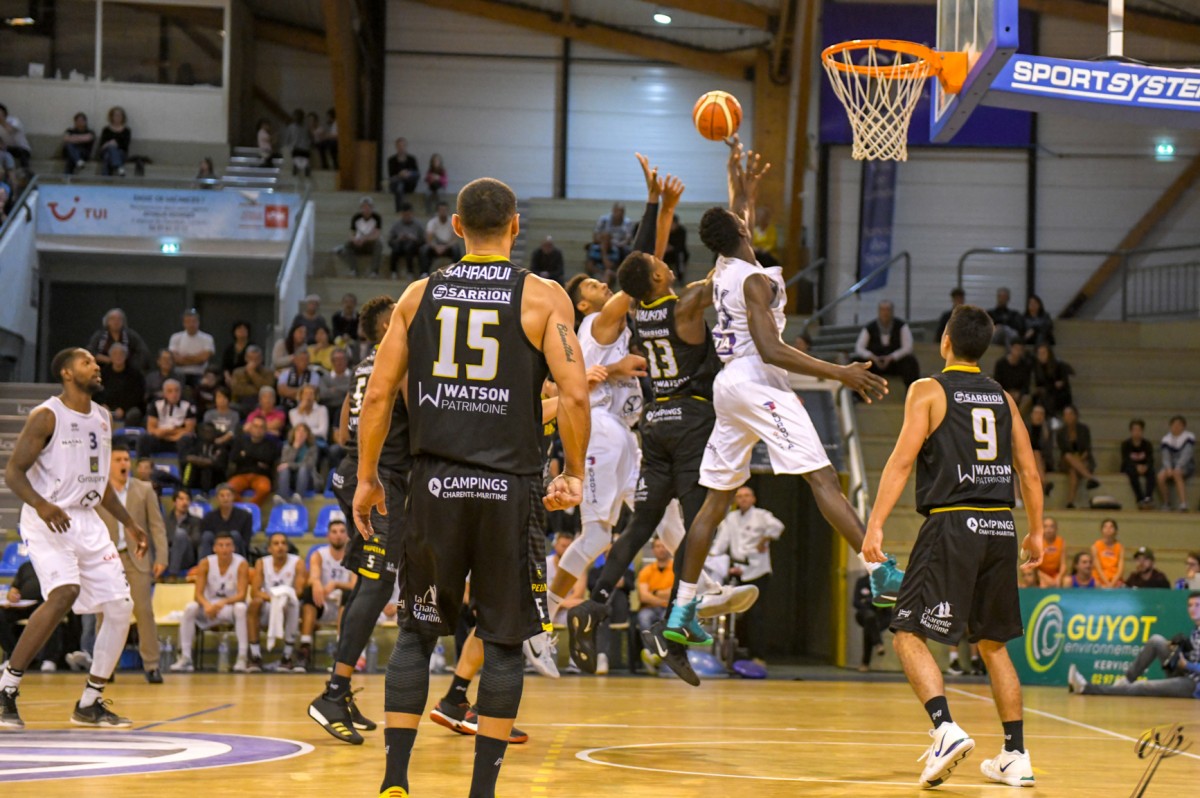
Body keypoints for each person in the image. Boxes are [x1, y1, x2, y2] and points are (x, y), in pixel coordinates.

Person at [352, 176, 589, 798]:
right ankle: (481, 791)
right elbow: (575, 392)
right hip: (508, 488)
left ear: (456, 227)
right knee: (503, 640)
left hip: (433, 483)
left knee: (415, 633)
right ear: (516, 228)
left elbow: (377, 395)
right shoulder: (543, 297)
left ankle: (395, 782)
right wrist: (574, 472)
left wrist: (367, 478)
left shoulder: (417, 293)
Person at [661, 140, 895, 655]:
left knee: (714, 502)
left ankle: (681, 608)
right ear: (742, 233)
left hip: (727, 386)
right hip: (756, 379)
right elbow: (771, 349)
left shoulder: (722, 271)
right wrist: (840, 373)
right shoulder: (752, 282)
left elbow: (734, 232)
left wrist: (742, 187)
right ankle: (879, 572)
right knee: (822, 477)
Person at [569, 159, 751, 682]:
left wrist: (662, 208)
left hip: (654, 423)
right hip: (688, 422)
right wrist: (737, 204)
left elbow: (641, 264)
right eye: (660, 264)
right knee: (699, 527)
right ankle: (676, 622)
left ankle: (596, 602)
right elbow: (727, 263)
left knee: (639, 528)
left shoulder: (636, 311)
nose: (667, 263)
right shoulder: (687, 302)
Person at [861, 304, 1044, 789]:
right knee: (993, 644)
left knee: (905, 630)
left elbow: (901, 463)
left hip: (953, 523)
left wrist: (875, 524)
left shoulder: (927, 389)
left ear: (945, 341)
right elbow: (1028, 471)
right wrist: (1038, 531)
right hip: (1001, 528)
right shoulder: (1004, 397)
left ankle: (944, 729)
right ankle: (1016, 754)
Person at [0, 348, 147, 729]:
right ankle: (7, 688)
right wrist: (42, 504)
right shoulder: (47, 415)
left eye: (96, 363)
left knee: (119, 607)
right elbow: (13, 473)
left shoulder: (102, 416)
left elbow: (99, 485)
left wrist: (130, 523)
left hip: (87, 519)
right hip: (48, 518)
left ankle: (90, 702)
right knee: (64, 592)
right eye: (87, 362)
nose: (96, 367)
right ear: (67, 372)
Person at [307, 296, 411, 744]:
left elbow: (347, 423)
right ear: (390, 323)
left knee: (368, 582)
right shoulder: (398, 358)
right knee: (378, 583)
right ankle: (332, 692)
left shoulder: (366, 362)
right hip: (376, 479)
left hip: (357, 472)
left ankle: (341, 687)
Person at [97, 444, 168, 684]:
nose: (123, 463)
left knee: (144, 612)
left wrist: (161, 557)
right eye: (118, 459)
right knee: (104, 614)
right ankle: (105, 667)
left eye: (126, 459)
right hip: (106, 559)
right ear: (108, 463)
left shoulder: (144, 489)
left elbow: (157, 525)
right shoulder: (97, 489)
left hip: (136, 556)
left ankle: (151, 665)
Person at [1068, 591, 1200, 698]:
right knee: (1156, 641)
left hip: (1194, 684)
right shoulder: (1195, 630)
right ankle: (1125, 681)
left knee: (1142, 686)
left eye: (1197, 605)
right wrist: (1179, 649)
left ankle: (1086, 687)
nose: (1192, 609)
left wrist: (1187, 664)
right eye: (1190, 605)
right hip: (1185, 672)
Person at [709, 485, 783, 664]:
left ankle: (758, 655)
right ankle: (730, 654)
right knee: (733, 612)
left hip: (758, 570)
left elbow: (778, 527)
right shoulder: (731, 519)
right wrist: (709, 558)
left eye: (747, 495)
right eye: (739, 496)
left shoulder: (762, 516)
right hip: (737, 570)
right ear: (735, 500)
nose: (743, 499)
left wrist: (765, 538)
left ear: (753, 499)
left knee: (756, 614)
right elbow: (721, 543)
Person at [169, 531, 250, 673]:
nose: (224, 549)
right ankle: (185, 657)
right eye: (221, 545)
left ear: (233, 548)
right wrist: (207, 605)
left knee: (241, 608)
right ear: (214, 548)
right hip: (208, 607)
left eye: (228, 545)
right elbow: (198, 594)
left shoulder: (241, 564)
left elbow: (242, 595)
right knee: (190, 608)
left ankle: (242, 657)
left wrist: (222, 603)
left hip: (228, 607)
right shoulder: (205, 563)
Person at [297, 522, 357, 672]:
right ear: (328, 535)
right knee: (309, 591)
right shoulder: (319, 554)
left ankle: (340, 650)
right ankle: (305, 648)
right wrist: (316, 582)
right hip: (322, 602)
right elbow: (313, 575)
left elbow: (354, 585)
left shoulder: (354, 555)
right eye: (334, 531)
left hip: (344, 607)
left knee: (348, 594)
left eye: (342, 531)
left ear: (347, 535)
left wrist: (335, 584)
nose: (338, 535)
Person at [245, 532, 306, 672]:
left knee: (294, 603)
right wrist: (274, 599)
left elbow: (298, 591)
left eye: (283, 543)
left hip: (287, 604)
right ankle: (254, 654)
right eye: (276, 543)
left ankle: (287, 655)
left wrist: (282, 598)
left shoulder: (297, 562)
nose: (280, 547)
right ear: (269, 548)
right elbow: (254, 591)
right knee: (254, 603)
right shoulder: (261, 563)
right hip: (268, 603)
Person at [0, 560, 64, 671]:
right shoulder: (26, 566)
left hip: (46, 602)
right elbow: (14, 588)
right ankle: (12, 656)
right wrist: (12, 595)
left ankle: (49, 659)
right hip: (23, 605)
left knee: (51, 613)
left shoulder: (56, 564)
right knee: (1, 615)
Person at [854, 300, 920, 387]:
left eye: (887, 310)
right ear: (878, 311)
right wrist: (872, 357)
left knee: (910, 362)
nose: (885, 313)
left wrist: (891, 357)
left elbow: (908, 347)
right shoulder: (870, 328)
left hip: (894, 363)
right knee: (858, 363)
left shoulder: (901, 326)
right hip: (874, 362)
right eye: (882, 310)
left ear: (892, 311)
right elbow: (859, 348)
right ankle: (857, 396)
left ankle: (912, 393)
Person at [227, 417, 280, 508]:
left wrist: (246, 454)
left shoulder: (271, 444)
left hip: (261, 476)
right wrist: (258, 460)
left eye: (261, 427)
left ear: (265, 430)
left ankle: (250, 509)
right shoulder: (240, 442)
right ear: (250, 428)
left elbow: (268, 459)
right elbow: (233, 458)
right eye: (255, 426)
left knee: (265, 489)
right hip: (241, 475)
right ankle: (242, 509)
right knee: (229, 489)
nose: (258, 430)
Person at [137, 379, 196, 458]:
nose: (174, 394)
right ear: (164, 393)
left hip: (178, 441)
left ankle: (182, 468)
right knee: (144, 438)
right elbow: (151, 429)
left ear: (180, 392)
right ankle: (142, 466)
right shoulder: (156, 404)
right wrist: (172, 432)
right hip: (160, 440)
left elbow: (189, 430)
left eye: (176, 391)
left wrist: (166, 434)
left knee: (186, 440)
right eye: (170, 391)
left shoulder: (188, 405)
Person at [1057, 405, 1100, 508]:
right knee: (1068, 456)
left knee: (1073, 471)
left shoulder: (1083, 429)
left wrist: (1079, 459)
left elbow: (1087, 448)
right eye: (1066, 415)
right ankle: (1090, 478)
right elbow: (1064, 449)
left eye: (1070, 414)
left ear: (1076, 415)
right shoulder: (1061, 432)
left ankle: (1070, 502)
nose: (1068, 417)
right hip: (1067, 460)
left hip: (1083, 458)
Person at [198, 483, 255, 559]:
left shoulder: (245, 516)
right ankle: (203, 567)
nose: (225, 498)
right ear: (217, 498)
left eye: (228, 495)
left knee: (235, 535)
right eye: (222, 496)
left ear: (233, 497)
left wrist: (228, 544)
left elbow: (245, 542)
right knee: (207, 535)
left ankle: (235, 566)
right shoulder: (209, 517)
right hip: (215, 551)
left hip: (237, 550)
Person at [87, 307, 152, 372]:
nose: (116, 322)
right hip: (103, 370)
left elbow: (143, 351)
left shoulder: (130, 335)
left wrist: (129, 364)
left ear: (123, 322)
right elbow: (90, 352)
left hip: (127, 371)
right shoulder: (99, 336)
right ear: (107, 322)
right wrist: (109, 360)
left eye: (119, 319)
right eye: (112, 319)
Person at [97, 343, 145, 426]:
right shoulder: (102, 373)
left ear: (125, 356)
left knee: (134, 413)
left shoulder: (135, 374)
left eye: (121, 354)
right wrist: (102, 404)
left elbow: (137, 395)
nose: (118, 356)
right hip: (106, 407)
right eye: (115, 354)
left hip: (128, 408)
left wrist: (124, 408)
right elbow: (96, 392)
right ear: (110, 356)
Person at [853, 572, 892, 672]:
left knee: (869, 625)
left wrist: (867, 601)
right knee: (869, 617)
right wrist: (873, 602)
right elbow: (855, 602)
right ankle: (878, 643)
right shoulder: (861, 582)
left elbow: (887, 603)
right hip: (863, 613)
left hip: (882, 617)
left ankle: (865, 663)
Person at [636, 536, 674, 634]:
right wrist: (664, 600)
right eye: (657, 546)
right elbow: (643, 597)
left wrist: (654, 593)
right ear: (653, 549)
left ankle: (667, 648)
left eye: (663, 546)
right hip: (650, 608)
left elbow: (674, 592)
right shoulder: (646, 571)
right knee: (643, 618)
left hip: (670, 609)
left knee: (668, 618)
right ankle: (650, 648)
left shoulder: (676, 570)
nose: (661, 549)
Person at [169, 309, 215, 388]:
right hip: (179, 374)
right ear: (184, 323)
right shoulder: (175, 337)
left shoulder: (207, 338)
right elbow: (175, 359)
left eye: (194, 321)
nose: (191, 324)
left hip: (200, 373)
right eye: (188, 322)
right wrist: (196, 359)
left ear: (198, 322)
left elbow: (203, 359)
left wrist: (184, 358)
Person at [1157, 415, 1194, 512]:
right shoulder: (1166, 439)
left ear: (1183, 426)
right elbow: (1165, 456)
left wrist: (1178, 467)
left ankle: (1183, 504)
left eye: (1179, 425)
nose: (1176, 427)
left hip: (1186, 465)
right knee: (1160, 476)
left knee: (1177, 474)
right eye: (1174, 425)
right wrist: (1168, 468)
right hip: (1171, 465)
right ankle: (1166, 503)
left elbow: (1187, 454)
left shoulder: (1189, 437)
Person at [339, 197, 384, 277]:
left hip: (370, 244)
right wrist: (354, 240)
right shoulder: (356, 218)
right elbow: (351, 233)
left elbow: (377, 234)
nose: (366, 209)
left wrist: (365, 239)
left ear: (372, 208)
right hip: (358, 243)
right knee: (347, 245)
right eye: (364, 207)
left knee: (379, 244)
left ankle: (374, 271)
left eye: (368, 207)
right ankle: (353, 270)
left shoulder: (377, 218)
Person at [276, 423, 317, 503]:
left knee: (303, 468)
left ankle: (299, 497)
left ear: (307, 435)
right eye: (298, 431)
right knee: (284, 470)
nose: (300, 434)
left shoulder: (312, 448)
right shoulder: (287, 447)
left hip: (307, 479)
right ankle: (283, 498)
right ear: (293, 433)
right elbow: (283, 464)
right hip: (290, 478)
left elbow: (309, 465)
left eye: (304, 431)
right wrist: (295, 448)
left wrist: (289, 465)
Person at [1121, 418, 1156, 509]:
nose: (1137, 432)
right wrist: (1136, 466)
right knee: (1131, 472)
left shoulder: (1147, 444)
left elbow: (1150, 459)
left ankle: (1148, 497)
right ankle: (1139, 498)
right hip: (1130, 467)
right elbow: (1126, 460)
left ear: (1142, 431)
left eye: (1139, 430)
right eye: (1134, 430)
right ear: (1131, 431)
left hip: (1144, 467)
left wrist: (1145, 466)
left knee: (1152, 472)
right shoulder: (1125, 444)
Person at [420, 201, 463, 274]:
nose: (443, 212)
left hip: (448, 246)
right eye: (441, 210)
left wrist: (445, 247)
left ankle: (457, 272)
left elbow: (455, 239)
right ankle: (424, 272)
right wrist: (436, 247)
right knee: (424, 249)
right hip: (436, 246)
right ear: (437, 211)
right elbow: (428, 239)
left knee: (456, 249)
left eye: (445, 210)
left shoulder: (452, 221)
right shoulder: (432, 222)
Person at [1032, 343, 1074, 419]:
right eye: (1039, 353)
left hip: (1059, 395)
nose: (1042, 355)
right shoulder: (1036, 367)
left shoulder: (1058, 365)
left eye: (1044, 353)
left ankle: (1051, 417)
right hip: (1045, 395)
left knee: (1044, 398)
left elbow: (1062, 384)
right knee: (1039, 398)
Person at [166, 490, 203, 576]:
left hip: (186, 556)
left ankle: (173, 574)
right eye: (181, 499)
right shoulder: (165, 521)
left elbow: (196, 540)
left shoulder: (196, 521)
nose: (185, 502)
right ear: (174, 502)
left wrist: (180, 540)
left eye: (187, 499)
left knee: (181, 534)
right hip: (168, 555)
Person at [992, 340, 1032, 417]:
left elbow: (1026, 385)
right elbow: (997, 383)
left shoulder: (1026, 365)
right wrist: (1008, 393)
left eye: (1020, 349)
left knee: (1027, 398)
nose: (1017, 351)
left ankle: (1015, 419)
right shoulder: (1001, 363)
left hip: (1019, 395)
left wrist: (1019, 394)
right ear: (1011, 348)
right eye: (1016, 348)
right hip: (1004, 393)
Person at [387, 203, 425, 278]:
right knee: (395, 248)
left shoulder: (418, 225)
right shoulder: (396, 225)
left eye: (409, 215)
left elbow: (423, 240)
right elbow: (390, 241)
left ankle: (410, 272)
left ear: (412, 214)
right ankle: (393, 271)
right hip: (399, 246)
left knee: (410, 247)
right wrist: (398, 239)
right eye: (405, 215)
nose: (407, 217)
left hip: (413, 246)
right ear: (402, 214)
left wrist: (414, 239)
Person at [1027, 404, 1054, 497]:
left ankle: (1043, 482)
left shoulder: (1047, 431)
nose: (1038, 416)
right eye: (1036, 413)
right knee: (1035, 453)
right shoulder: (1025, 428)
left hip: (1043, 461)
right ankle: (1044, 483)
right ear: (1031, 415)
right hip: (1026, 460)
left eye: (1041, 414)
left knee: (1037, 453)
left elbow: (1048, 450)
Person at [1091, 518, 1125, 589]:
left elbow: (1120, 569)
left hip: (1115, 580)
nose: (1108, 529)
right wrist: (1107, 584)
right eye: (1105, 527)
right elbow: (1098, 568)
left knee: (1123, 586)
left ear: (1116, 531)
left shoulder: (1120, 547)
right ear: (1101, 530)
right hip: (1099, 579)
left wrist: (1112, 584)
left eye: (1111, 527)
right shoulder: (1095, 546)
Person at [387, 137, 420, 210]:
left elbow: (417, 173)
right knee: (399, 185)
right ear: (396, 147)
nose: (401, 148)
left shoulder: (411, 159)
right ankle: (400, 209)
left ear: (406, 146)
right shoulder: (391, 160)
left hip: (409, 182)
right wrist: (400, 175)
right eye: (399, 146)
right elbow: (391, 175)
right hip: (397, 183)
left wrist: (408, 173)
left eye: (403, 146)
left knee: (413, 174)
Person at [98, 107, 131, 177]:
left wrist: (116, 144)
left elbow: (125, 145)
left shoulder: (126, 131)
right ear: (111, 117)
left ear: (123, 117)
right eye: (116, 115)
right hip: (105, 150)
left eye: (120, 115)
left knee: (107, 156)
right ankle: (119, 167)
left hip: (121, 153)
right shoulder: (106, 130)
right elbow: (101, 145)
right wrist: (109, 144)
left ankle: (105, 178)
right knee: (110, 148)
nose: (118, 117)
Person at [0, 103, 32, 170]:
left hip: (22, 148)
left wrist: (2, 121)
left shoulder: (14, 120)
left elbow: (10, 130)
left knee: (22, 153)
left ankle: (26, 173)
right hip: (7, 149)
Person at [1037, 517, 1066, 587]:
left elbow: (1063, 565)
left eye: (1051, 526)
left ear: (1056, 529)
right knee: (1043, 584)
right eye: (1045, 526)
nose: (1048, 529)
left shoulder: (1061, 542)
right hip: (1041, 575)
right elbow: (1034, 568)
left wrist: (1059, 576)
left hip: (1056, 574)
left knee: (1066, 581)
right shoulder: (1037, 542)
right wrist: (1045, 577)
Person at [282, 109, 312, 176]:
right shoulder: (302, 127)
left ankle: (300, 165)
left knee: (300, 155)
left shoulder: (294, 127)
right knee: (301, 155)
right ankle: (303, 165)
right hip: (301, 148)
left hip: (300, 147)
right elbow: (309, 137)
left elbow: (287, 139)